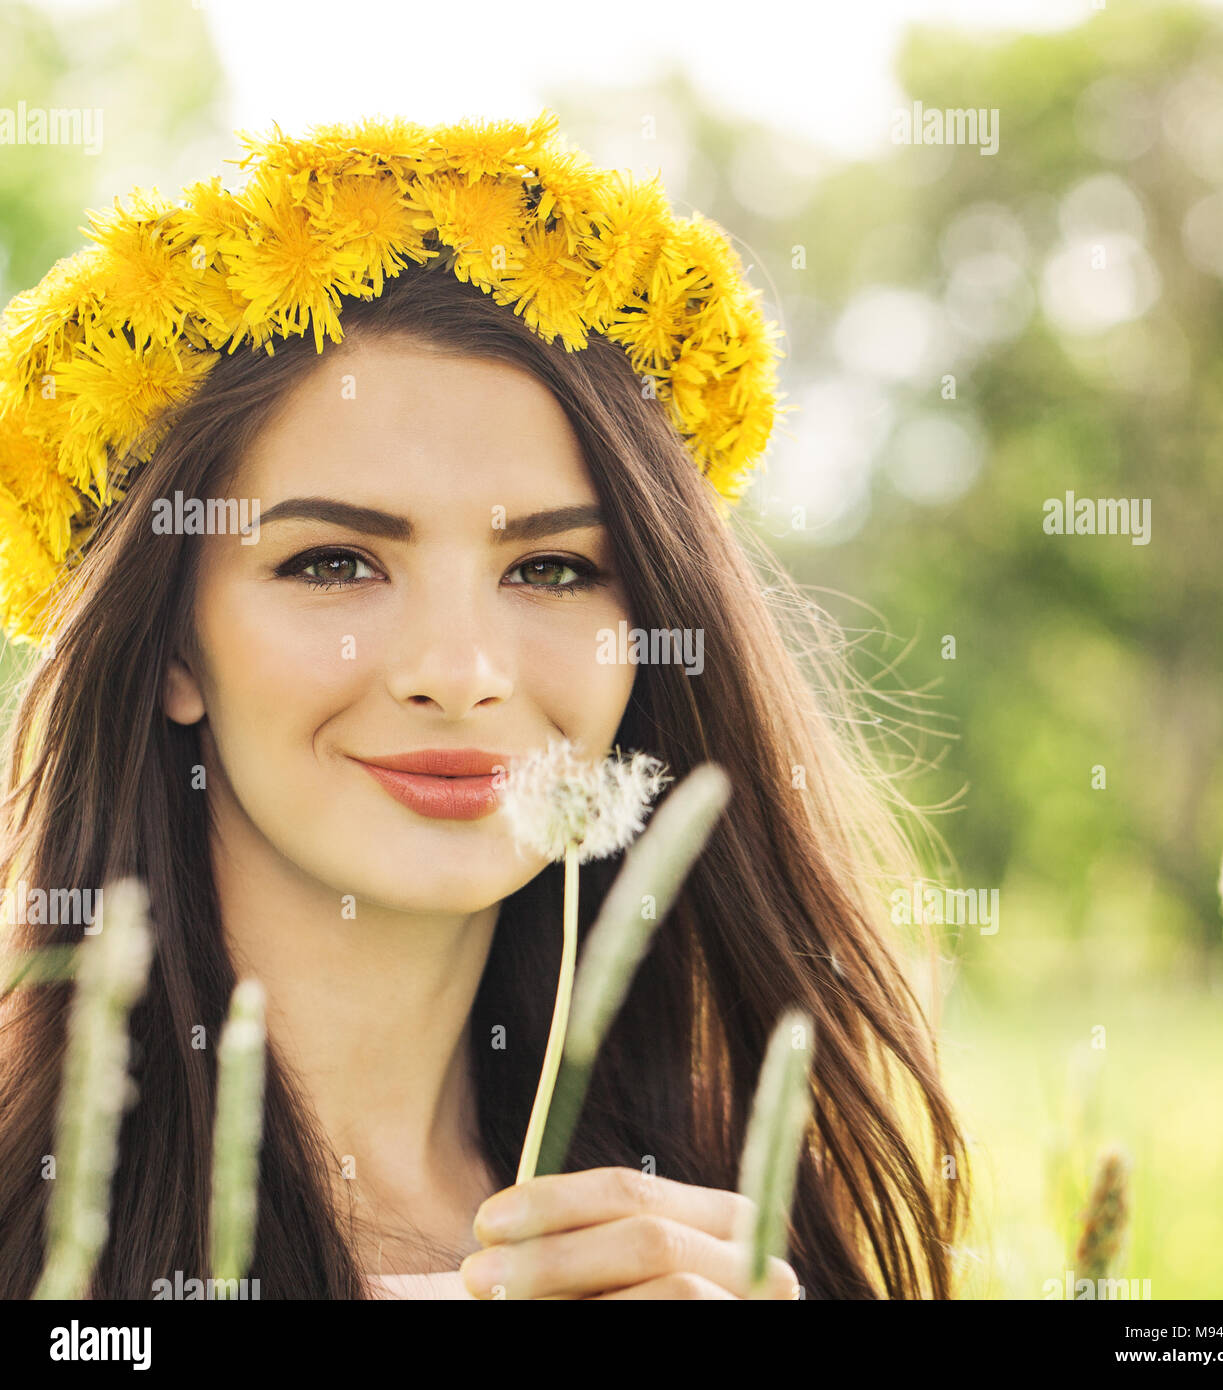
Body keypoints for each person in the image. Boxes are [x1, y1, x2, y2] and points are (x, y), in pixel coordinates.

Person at [0, 111, 967, 1299]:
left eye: (552, 570)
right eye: (335, 562)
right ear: (172, 650)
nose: (459, 671)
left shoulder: (737, 1220)